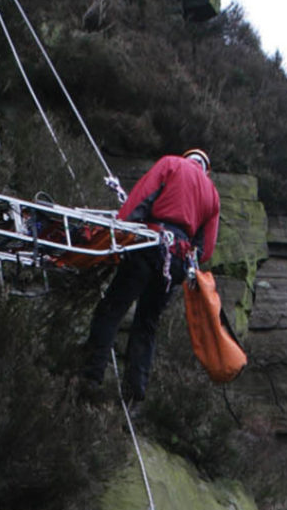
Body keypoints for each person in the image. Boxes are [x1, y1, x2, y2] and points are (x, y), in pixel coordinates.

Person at [81, 147, 221, 407]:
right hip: (177, 261)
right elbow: (206, 250)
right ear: (206, 170)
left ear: (187, 158)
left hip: (150, 245)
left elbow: (140, 199)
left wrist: (121, 230)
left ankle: (90, 377)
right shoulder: (212, 194)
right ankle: (134, 395)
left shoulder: (171, 164)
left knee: (112, 308)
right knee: (147, 324)